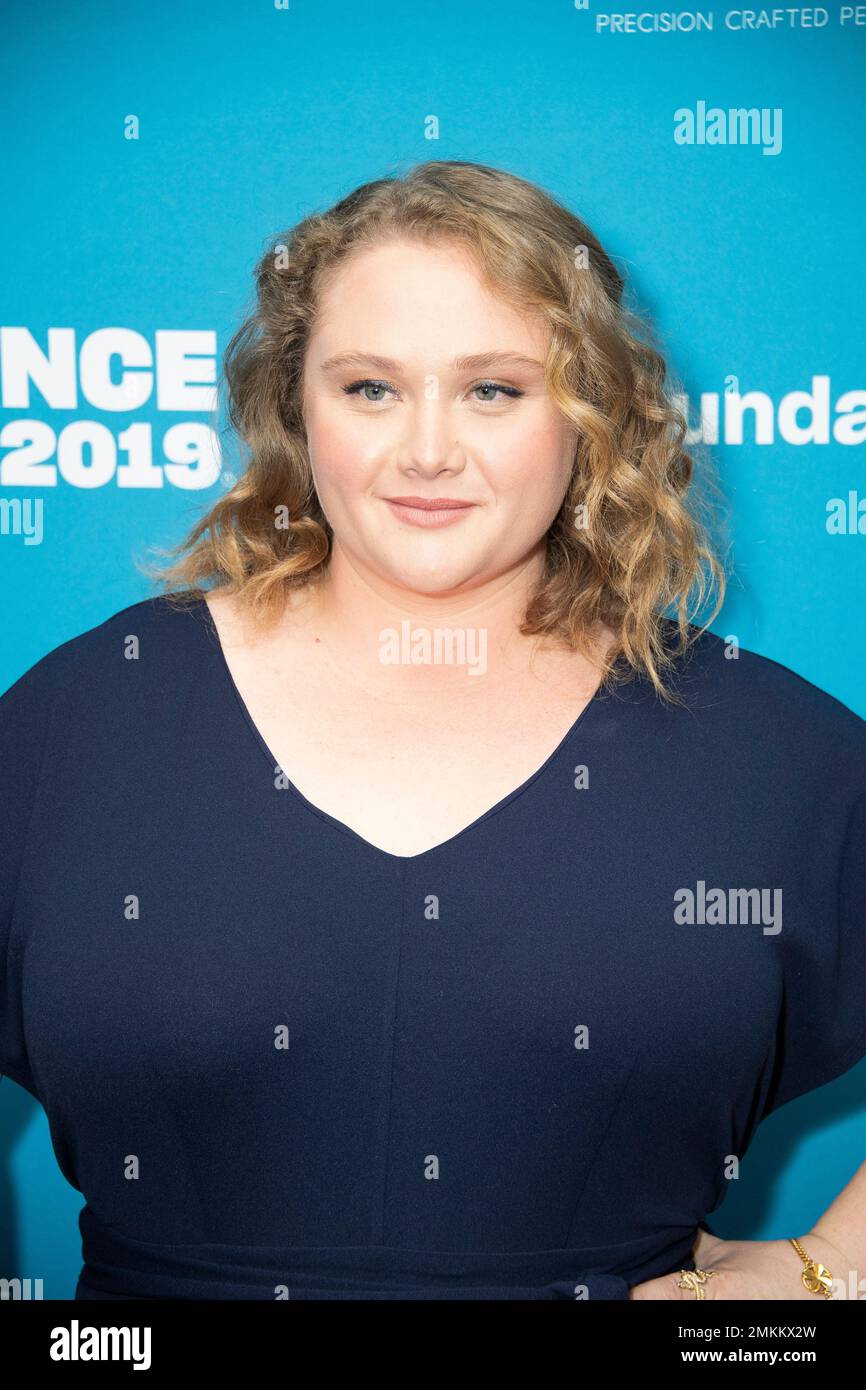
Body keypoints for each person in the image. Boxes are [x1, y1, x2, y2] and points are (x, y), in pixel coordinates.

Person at [2, 160, 864, 1301]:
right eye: (368, 387)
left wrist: (828, 1271)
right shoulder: (79, 721)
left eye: (493, 390)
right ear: (292, 405)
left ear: (590, 413)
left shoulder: (770, 749)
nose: (424, 452)